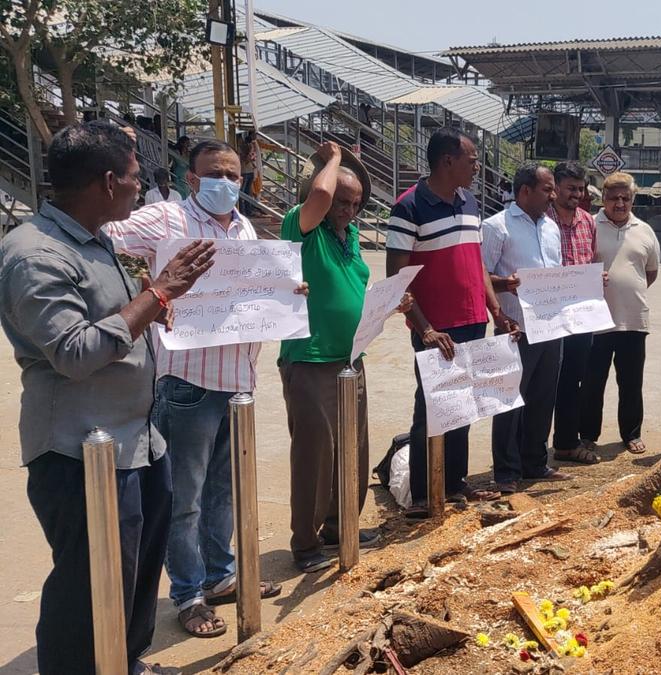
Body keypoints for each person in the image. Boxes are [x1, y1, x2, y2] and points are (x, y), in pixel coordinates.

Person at [0, 120, 215, 675]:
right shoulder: (34, 254)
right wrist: (159, 292)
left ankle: (124, 662)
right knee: (86, 584)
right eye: (135, 176)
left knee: (135, 573)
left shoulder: (96, 240)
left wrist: (154, 303)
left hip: (138, 441)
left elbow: (117, 320)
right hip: (81, 451)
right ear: (106, 181)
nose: (141, 187)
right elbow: (73, 352)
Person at [106, 138, 289, 636]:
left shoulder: (247, 227)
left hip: (238, 382)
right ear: (192, 178)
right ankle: (188, 595)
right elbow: (106, 230)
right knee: (182, 498)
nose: (226, 183)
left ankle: (221, 575)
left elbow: (251, 289)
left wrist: (285, 294)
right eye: (215, 173)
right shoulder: (167, 220)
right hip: (188, 382)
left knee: (223, 492)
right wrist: (145, 287)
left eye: (234, 175)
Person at [279, 142, 407, 572]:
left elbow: (355, 294)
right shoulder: (301, 228)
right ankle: (306, 543)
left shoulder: (349, 235)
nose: (348, 210)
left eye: (355, 204)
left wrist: (388, 304)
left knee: (353, 449)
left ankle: (341, 526)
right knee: (315, 455)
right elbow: (318, 199)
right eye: (341, 201)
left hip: (351, 357)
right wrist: (334, 158)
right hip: (311, 359)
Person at [387, 127, 514, 516]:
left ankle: (455, 483)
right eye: (472, 159)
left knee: (465, 406)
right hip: (436, 330)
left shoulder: (469, 202)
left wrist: (495, 310)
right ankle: (425, 494)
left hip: (473, 319)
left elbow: (475, 262)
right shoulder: (408, 208)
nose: (477, 166)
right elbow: (397, 280)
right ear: (447, 161)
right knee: (433, 409)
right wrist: (424, 328)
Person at [482, 164, 574, 493]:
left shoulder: (551, 227)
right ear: (524, 191)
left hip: (551, 328)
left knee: (542, 398)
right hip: (515, 328)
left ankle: (534, 461)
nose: (554, 196)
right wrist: (506, 285)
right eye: (548, 189)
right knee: (508, 401)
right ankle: (506, 471)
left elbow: (557, 271)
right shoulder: (496, 227)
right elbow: (481, 276)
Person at [579, 172, 661, 455]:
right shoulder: (588, 225)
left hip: (634, 320)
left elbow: (650, 272)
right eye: (614, 197)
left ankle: (631, 433)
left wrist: (627, 288)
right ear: (604, 198)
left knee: (631, 382)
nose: (620, 203)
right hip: (595, 321)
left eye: (626, 198)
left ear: (633, 199)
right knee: (591, 382)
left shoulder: (645, 230)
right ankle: (587, 435)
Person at [548, 161, 600, 465]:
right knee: (545, 381)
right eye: (571, 189)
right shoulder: (543, 220)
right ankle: (532, 447)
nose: (576, 195)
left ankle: (566, 443)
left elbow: (590, 257)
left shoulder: (587, 221)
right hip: (550, 315)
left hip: (581, 315)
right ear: (555, 188)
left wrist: (596, 278)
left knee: (573, 379)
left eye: (580, 189)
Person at [238, 130, 259, 215]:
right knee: (242, 193)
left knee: (248, 193)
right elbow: (245, 159)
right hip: (244, 171)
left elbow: (251, 157)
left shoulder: (251, 145)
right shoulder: (242, 146)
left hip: (249, 170)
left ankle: (248, 211)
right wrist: (249, 156)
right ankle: (242, 211)